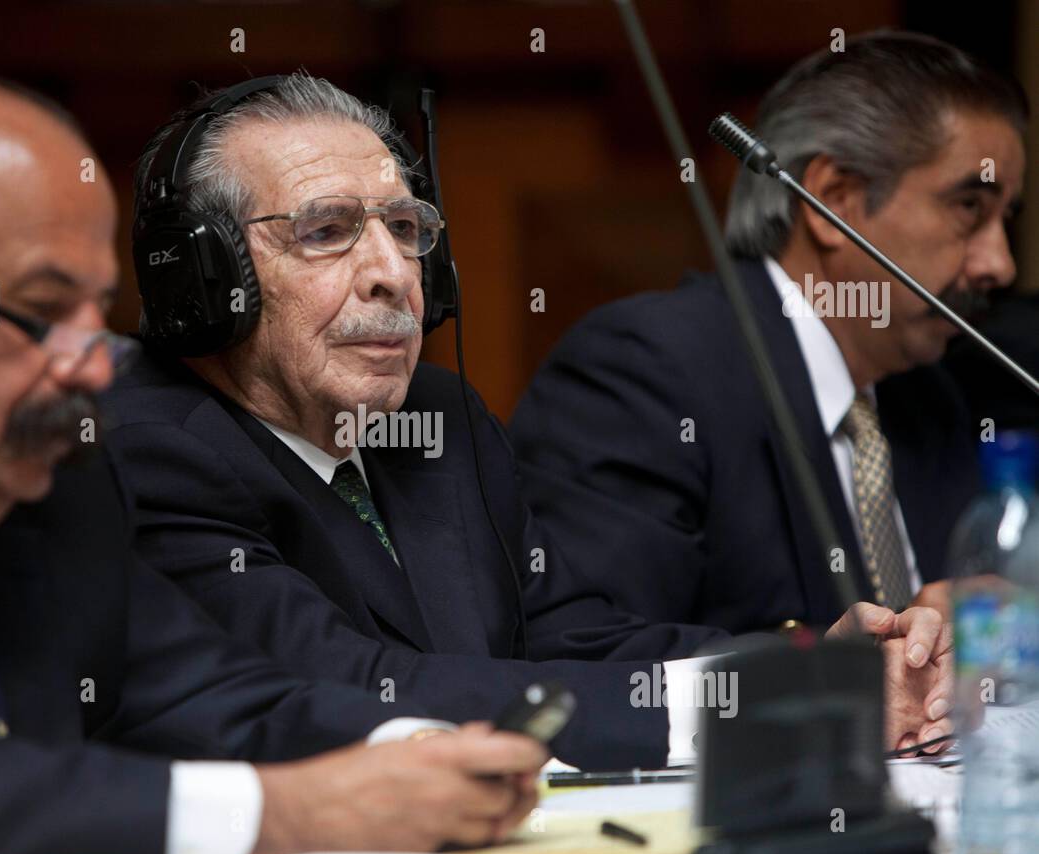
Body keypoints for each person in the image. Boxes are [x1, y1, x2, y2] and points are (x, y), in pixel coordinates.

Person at [0, 75, 548, 854]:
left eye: (98, 310)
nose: (93, 366)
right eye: (43, 309)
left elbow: (215, 694)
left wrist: (418, 754)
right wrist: (284, 812)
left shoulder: (52, 485)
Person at [101, 72, 952, 770]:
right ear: (203, 278)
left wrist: (806, 667)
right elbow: (352, 684)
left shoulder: (438, 420)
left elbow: (566, 637)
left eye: (406, 229)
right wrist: (770, 712)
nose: (395, 274)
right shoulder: (150, 449)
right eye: (327, 231)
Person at [512, 31, 1024, 647]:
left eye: (1006, 220)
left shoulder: (932, 394)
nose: (1001, 264)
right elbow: (589, 651)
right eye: (970, 206)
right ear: (833, 200)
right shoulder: (645, 370)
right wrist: (834, 672)